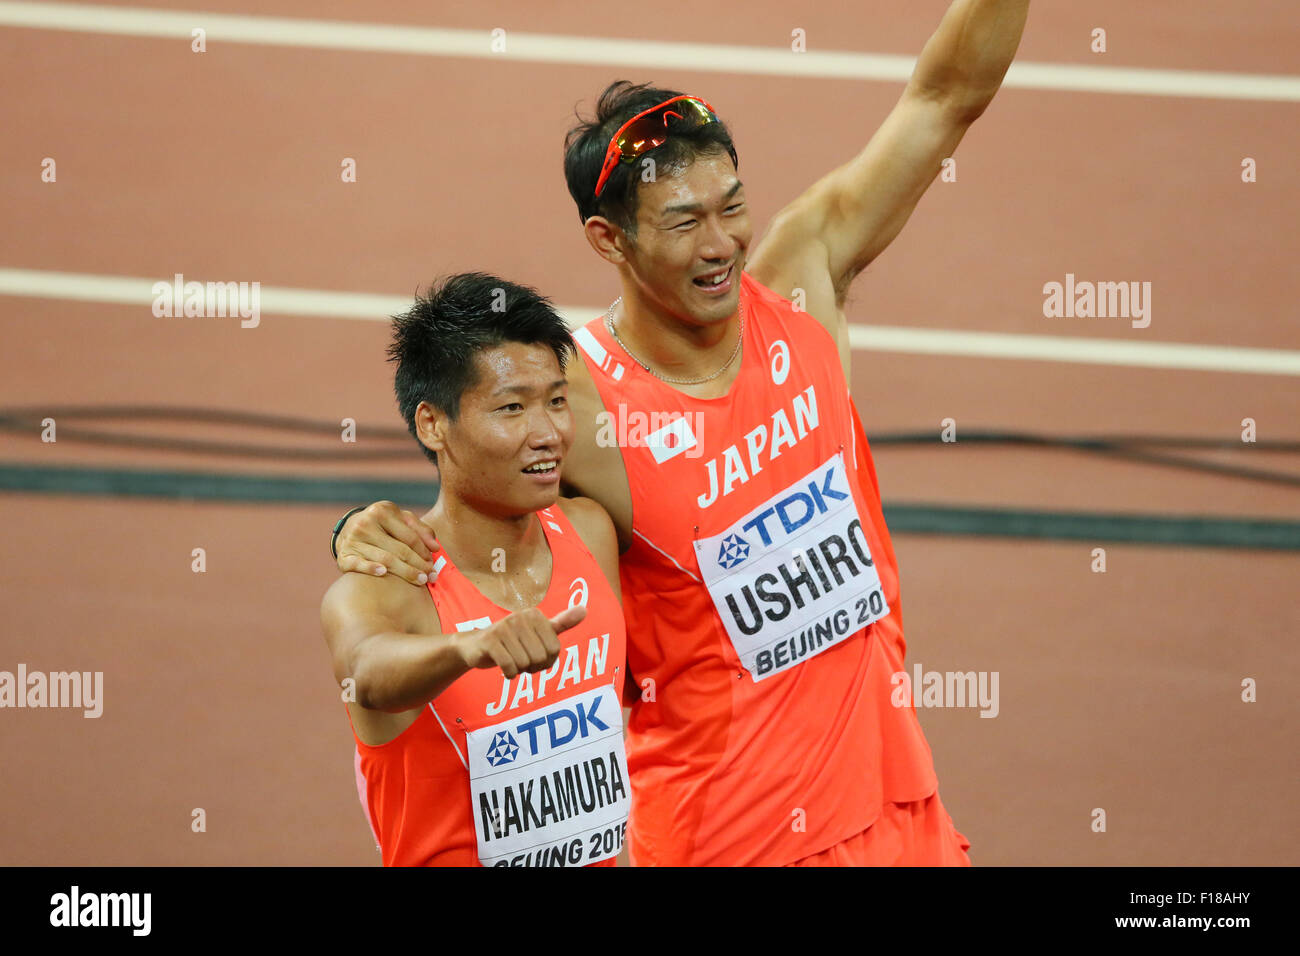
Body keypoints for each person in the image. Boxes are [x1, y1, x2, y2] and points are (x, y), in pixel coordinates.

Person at [333, 1, 1029, 865]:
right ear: (609, 239)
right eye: (683, 221)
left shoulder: (803, 284)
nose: (722, 244)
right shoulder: (581, 398)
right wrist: (366, 526)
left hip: (898, 809)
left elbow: (945, 94)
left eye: (730, 206)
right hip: (730, 839)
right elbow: (477, 466)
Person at [320, 272, 628, 866]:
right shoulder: (386, 590)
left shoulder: (589, 531)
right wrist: (467, 649)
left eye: (556, 401)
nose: (547, 434)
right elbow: (365, 671)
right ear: (434, 424)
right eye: (511, 408)